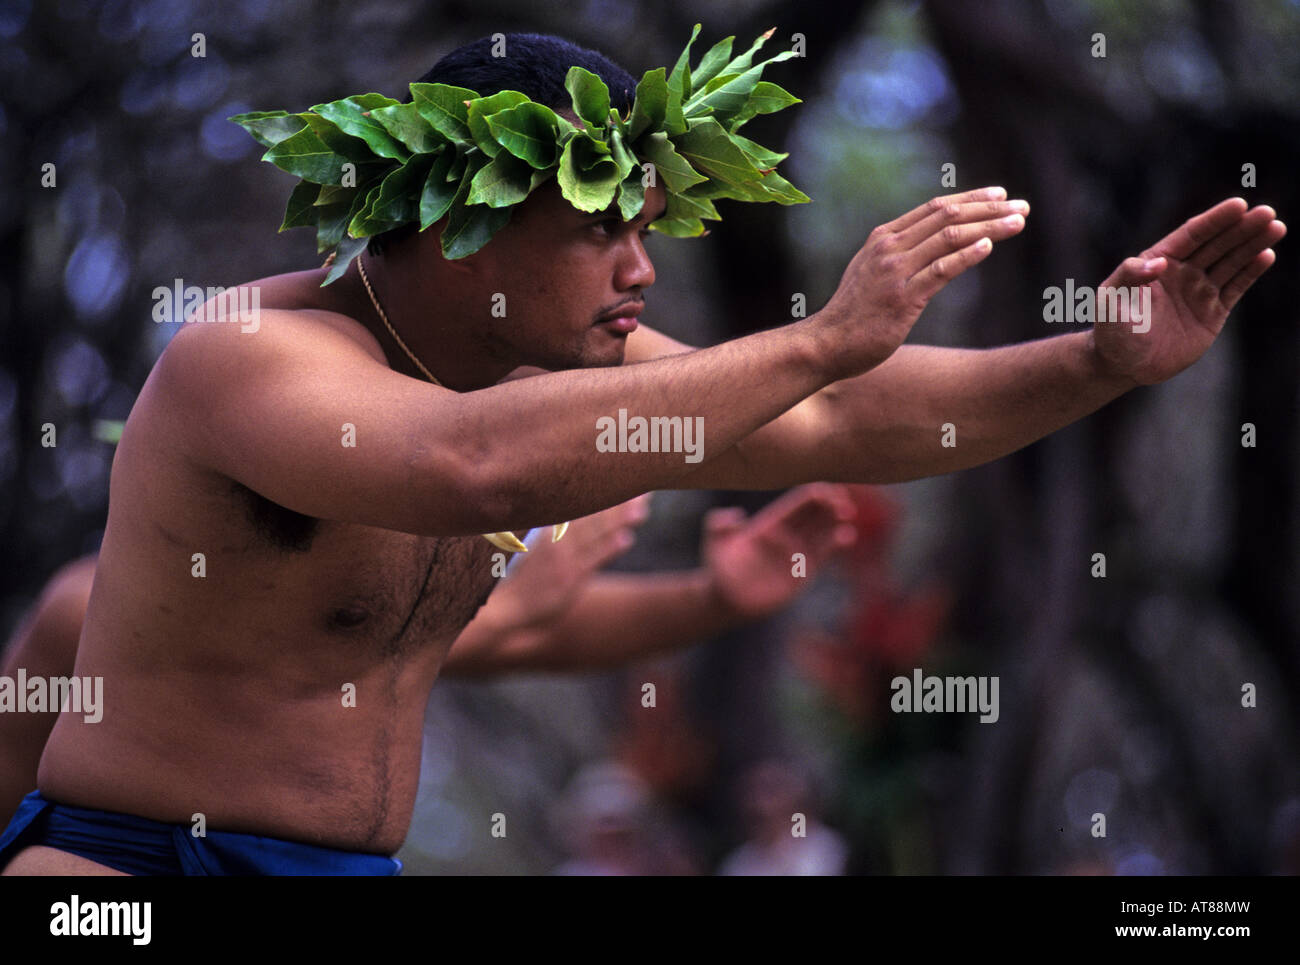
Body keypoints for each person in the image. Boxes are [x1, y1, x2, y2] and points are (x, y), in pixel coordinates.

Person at [0, 27, 1283, 875]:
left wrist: (1096, 361)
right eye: (602, 226)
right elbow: (465, 465)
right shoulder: (246, 356)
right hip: (122, 875)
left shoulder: (552, 367)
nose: (640, 270)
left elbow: (837, 421)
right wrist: (822, 335)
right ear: (462, 222)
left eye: (650, 227)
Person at [0, 484, 859, 825]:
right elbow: (469, 631)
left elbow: (506, 635)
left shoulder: (334, 600)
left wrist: (709, 598)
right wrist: (518, 594)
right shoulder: (91, 608)